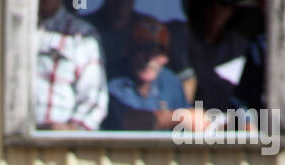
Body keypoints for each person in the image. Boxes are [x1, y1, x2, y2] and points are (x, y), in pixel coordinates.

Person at [106, 15, 211, 132]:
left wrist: (205, 121)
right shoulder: (110, 80)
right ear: (129, 50)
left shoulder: (170, 83)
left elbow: (192, 123)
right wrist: (176, 117)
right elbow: (127, 120)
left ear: (166, 58)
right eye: (143, 49)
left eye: (158, 52)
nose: (150, 59)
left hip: (162, 150)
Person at [34, 0, 108, 132]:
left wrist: (69, 131)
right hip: (10, 138)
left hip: (61, 144)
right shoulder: (9, 29)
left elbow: (94, 101)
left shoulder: (82, 35)